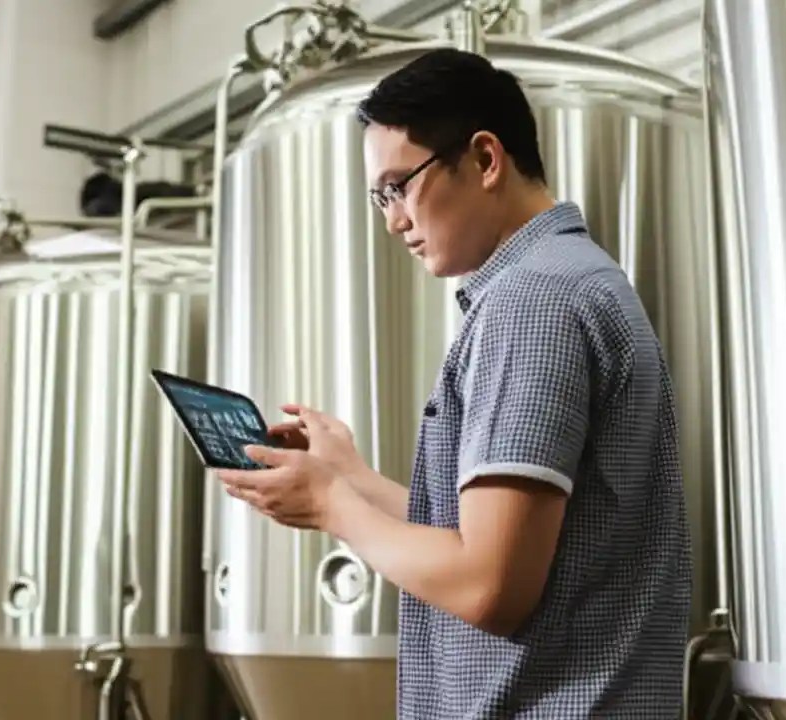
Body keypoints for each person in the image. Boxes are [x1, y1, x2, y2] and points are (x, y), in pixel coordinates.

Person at [216, 48, 691, 718]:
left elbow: (488, 585)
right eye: (379, 197)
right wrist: (351, 477)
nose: (392, 220)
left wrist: (332, 507)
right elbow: (497, 539)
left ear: (486, 160)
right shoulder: (567, 281)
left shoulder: (535, 302)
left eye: (399, 186)